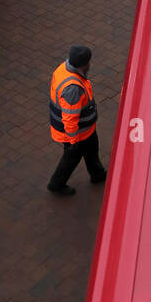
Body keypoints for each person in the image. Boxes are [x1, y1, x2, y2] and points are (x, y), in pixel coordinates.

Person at [47, 45, 107, 196]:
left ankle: (97, 174)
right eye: (88, 62)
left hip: (85, 130)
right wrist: (73, 141)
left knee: (92, 148)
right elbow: (70, 118)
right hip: (76, 133)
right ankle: (56, 184)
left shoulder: (63, 68)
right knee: (71, 158)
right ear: (84, 64)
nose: (90, 64)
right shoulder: (73, 89)